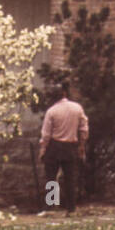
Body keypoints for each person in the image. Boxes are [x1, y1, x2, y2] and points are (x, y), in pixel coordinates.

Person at [39, 83, 88, 214]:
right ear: (64, 93)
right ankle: (71, 209)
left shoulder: (51, 111)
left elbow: (46, 134)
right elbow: (84, 128)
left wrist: (43, 149)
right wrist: (82, 145)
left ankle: (51, 207)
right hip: (71, 146)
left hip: (54, 146)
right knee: (70, 178)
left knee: (51, 177)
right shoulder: (77, 108)